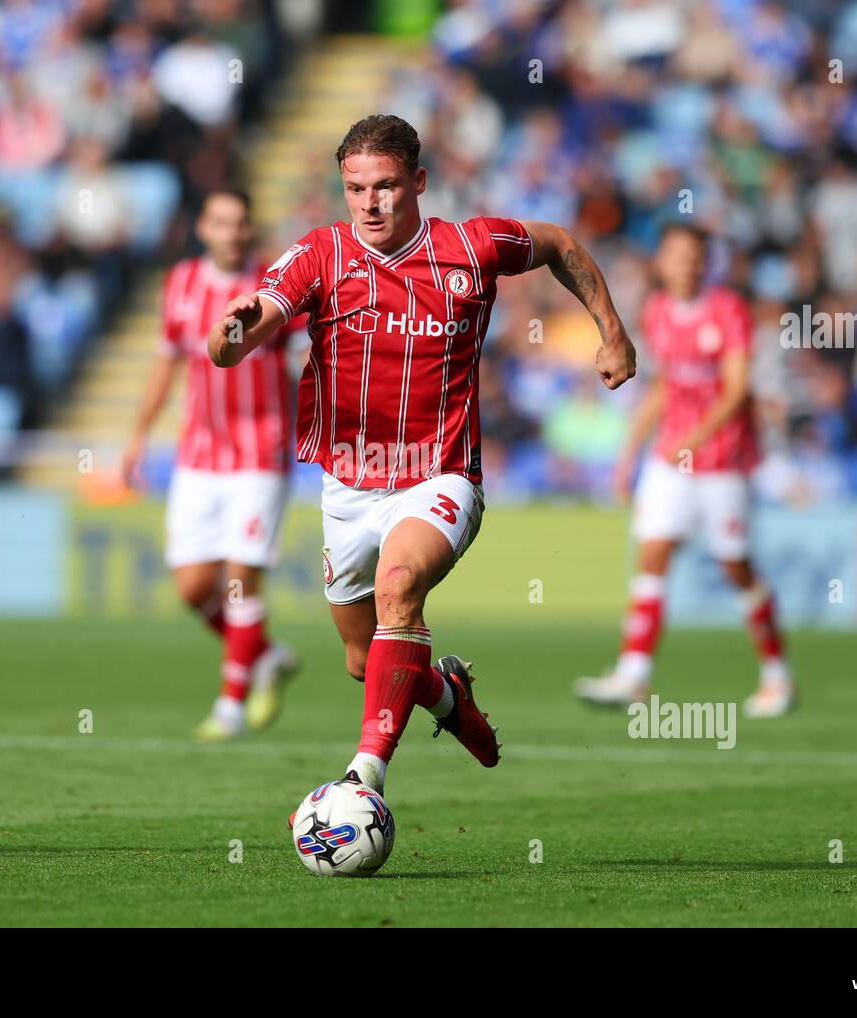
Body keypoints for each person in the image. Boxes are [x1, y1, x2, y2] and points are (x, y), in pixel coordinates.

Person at [206, 115, 636, 795]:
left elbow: (559, 244)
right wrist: (229, 336)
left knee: (400, 588)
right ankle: (446, 695)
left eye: (385, 186)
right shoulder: (321, 254)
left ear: (420, 182)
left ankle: (362, 778)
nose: (370, 203)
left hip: (441, 475)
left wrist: (610, 332)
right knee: (362, 659)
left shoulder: (473, 246)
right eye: (355, 188)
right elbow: (254, 318)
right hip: (348, 488)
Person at [575, 223, 795, 718]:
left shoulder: (728, 310)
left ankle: (776, 674)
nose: (685, 265)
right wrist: (630, 451)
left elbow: (738, 389)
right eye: (675, 255)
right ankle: (633, 674)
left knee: (735, 565)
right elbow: (665, 387)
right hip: (669, 459)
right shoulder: (656, 313)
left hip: (722, 461)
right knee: (653, 554)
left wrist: (693, 440)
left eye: (694, 256)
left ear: (705, 262)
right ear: (661, 262)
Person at [122, 188, 298, 741]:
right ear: (204, 227)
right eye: (222, 222)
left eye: (241, 223)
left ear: (250, 229)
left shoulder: (275, 287)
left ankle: (230, 705)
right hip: (198, 454)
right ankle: (263, 655)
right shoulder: (180, 285)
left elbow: (307, 361)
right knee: (194, 589)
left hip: (260, 453)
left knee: (242, 577)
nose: (232, 232)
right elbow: (165, 364)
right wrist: (137, 436)